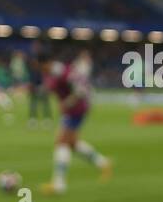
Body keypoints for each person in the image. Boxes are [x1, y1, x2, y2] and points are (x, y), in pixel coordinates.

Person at [40, 53, 112, 194]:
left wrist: (68, 102)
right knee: (72, 144)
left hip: (76, 109)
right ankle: (103, 163)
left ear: (45, 63)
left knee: (61, 142)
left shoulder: (60, 71)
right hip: (74, 109)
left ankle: (59, 184)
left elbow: (80, 89)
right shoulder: (55, 72)